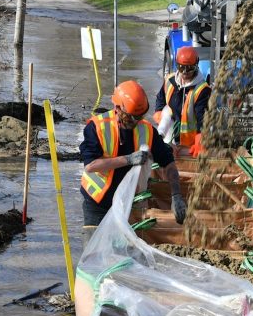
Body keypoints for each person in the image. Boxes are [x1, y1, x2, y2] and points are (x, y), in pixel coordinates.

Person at [80, 80, 186, 244]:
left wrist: (176, 194)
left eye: (139, 116)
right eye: (130, 116)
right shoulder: (97, 127)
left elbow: (168, 163)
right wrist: (128, 159)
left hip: (128, 203)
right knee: (95, 250)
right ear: (117, 108)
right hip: (98, 202)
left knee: (124, 251)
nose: (135, 121)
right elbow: (91, 165)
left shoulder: (147, 130)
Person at [153, 46, 211, 149]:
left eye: (189, 68)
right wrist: (159, 110)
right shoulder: (170, 80)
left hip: (190, 143)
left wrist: (201, 137)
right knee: (166, 112)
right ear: (177, 65)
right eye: (181, 67)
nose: (185, 72)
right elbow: (161, 97)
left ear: (196, 65)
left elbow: (203, 117)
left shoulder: (202, 90)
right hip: (170, 136)